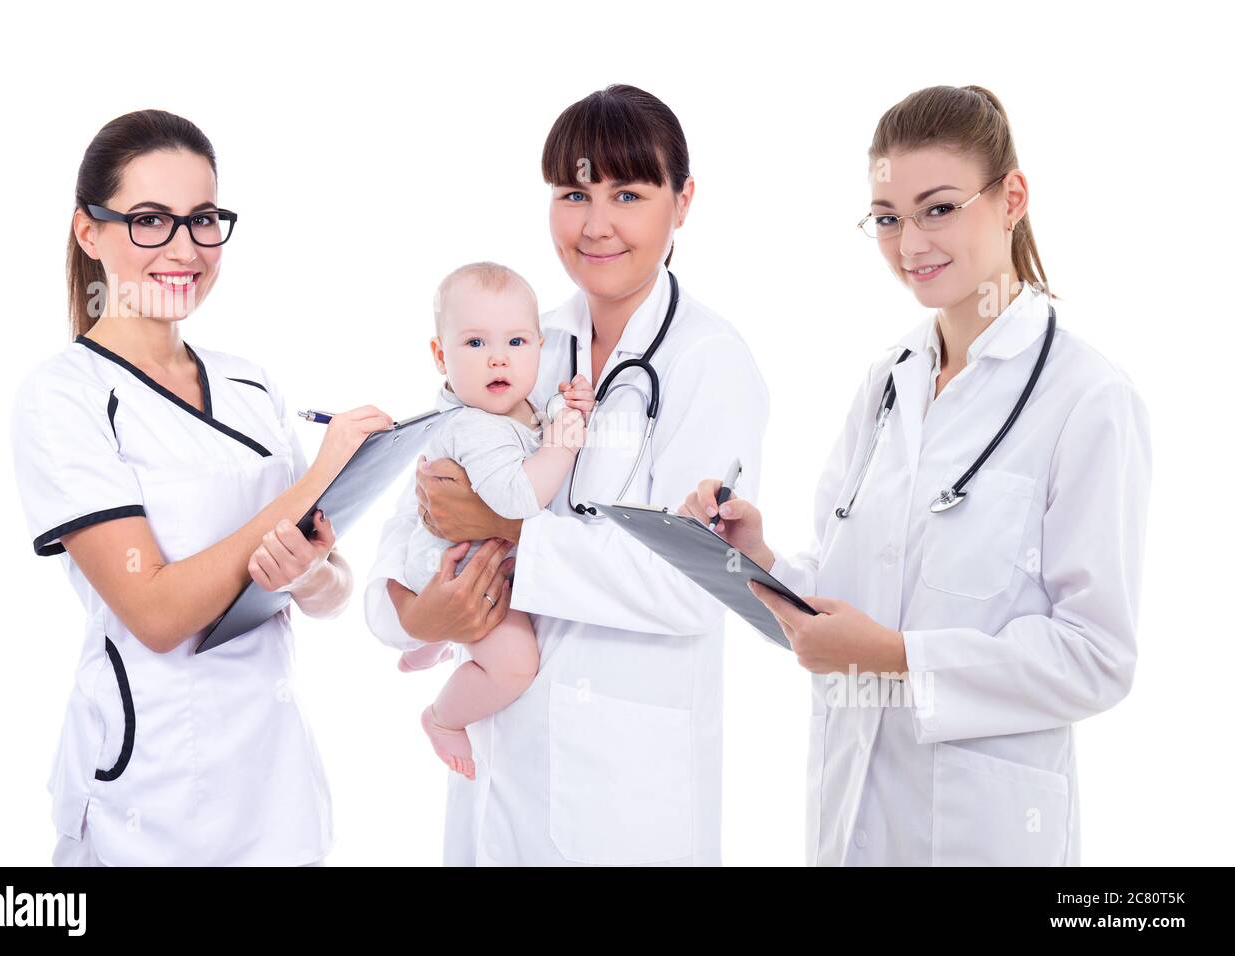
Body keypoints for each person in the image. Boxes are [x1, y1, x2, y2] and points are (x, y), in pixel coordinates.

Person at [681, 85, 1151, 866]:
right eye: (889, 217)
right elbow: (843, 611)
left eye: (938, 208)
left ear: (1012, 199)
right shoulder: (889, 380)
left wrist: (897, 658)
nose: (910, 244)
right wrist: (758, 561)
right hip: (850, 821)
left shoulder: (1088, 399)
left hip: (982, 834)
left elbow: (1097, 659)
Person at [365, 85, 769, 866]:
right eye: (573, 193)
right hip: (496, 772)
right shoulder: (518, 339)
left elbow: (692, 581)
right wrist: (416, 620)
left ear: (682, 202)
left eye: (628, 192)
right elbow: (418, 518)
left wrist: (511, 532)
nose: (595, 223)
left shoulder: (710, 364)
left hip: (623, 795)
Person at [10, 109, 391, 866]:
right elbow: (154, 612)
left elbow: (329, 585)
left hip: (275, 779)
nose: (185, 249)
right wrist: (318, 475)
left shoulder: (250, 386)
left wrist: (312, 574)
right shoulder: (63, 398)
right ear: (91, 233)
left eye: (204, 219)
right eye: (150, 220)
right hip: (152, 790)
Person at [399, 261, 594, 781]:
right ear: (440, 356)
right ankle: (441, 717)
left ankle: (434, 644)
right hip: (461, 572)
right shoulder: (474, 427)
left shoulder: (512, 406)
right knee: (514, 664)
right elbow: (516, 497)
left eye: (516, 342)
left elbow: (530, 421)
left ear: (539, 346)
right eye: (475, 344)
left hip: (476, 560)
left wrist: (563, 407)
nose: (498, 358)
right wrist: (561, 443)